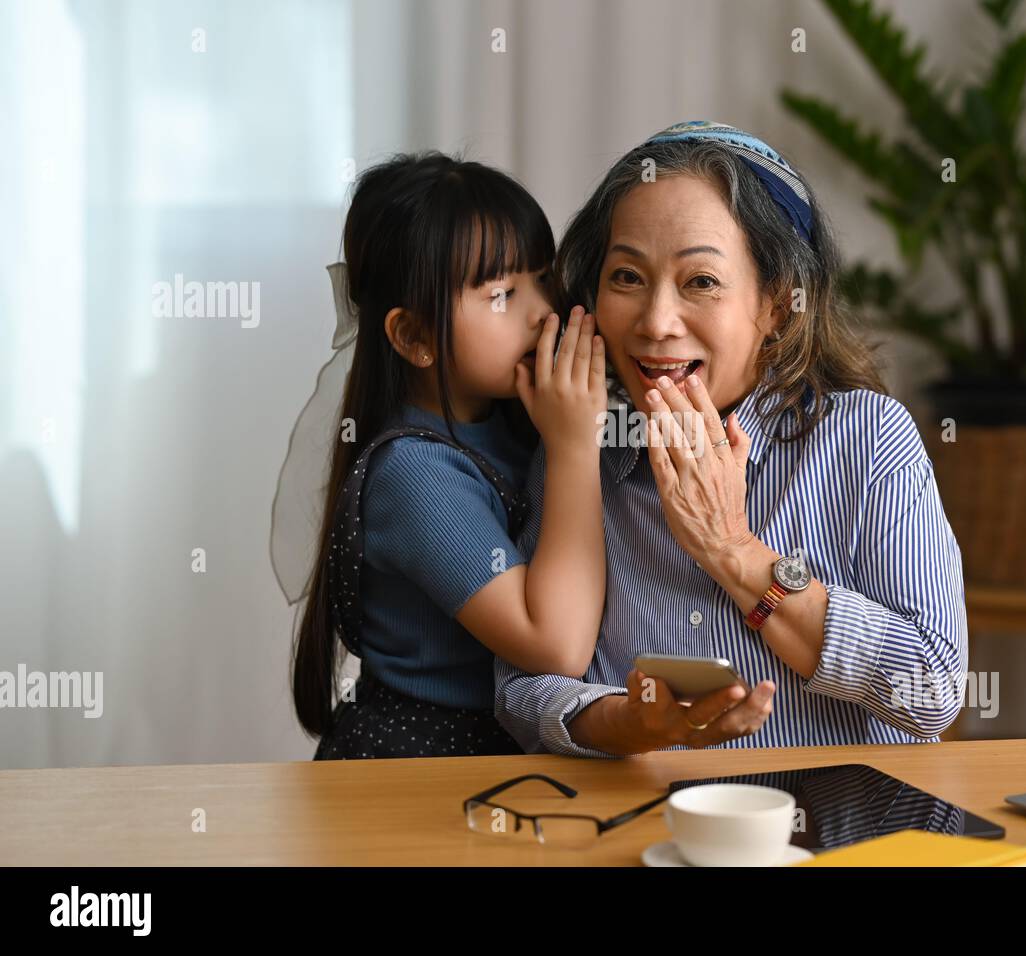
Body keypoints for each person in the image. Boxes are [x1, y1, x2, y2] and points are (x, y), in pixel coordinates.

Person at [495, 122, 968, 756]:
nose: (657, 322)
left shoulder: (867, 437)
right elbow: (523, 688)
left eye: (701, 282)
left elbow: (932, 687)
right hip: (649, 838)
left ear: (777, 304)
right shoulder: (584, 445)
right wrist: (627, 724)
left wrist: (734, 550)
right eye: (627, 278)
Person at [289, 152, 607, 758]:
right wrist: (574, 447)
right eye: (503, 293)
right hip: (425, 768)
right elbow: (558, 646)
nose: (542, 311)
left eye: (542, 278)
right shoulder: (414, 475)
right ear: (414, 337)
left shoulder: (515, 422)